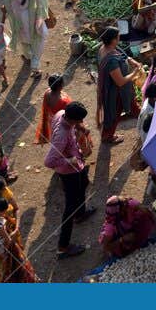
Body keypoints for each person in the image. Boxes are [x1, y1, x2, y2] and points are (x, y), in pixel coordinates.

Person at [45, 102, 95, 258]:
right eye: (79, 121)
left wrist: (80, 129)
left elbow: (72, 126)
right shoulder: (61, 136)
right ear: (72, 119)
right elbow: (48, 162)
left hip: (77, 166)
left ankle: (80, 214)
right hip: (68, 172)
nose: (80, 123)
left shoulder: (61, 113)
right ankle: (63, 247)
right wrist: (68, 161)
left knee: (84, 183)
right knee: (70, 206)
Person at [0, 0, 50, 78]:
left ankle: (29, 57)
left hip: (21, 20)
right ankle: (35, 64)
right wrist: (41, 14)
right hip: (35, 17)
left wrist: (5, 10)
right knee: (38, 39)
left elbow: (8, 7)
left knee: (25, 41)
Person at [97, 26, 141, 143]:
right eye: (117, 37)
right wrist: (134, 73)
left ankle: (140, 115)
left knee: (133, 104)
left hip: (121, 89)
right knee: (113, 113)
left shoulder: (104, 48)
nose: (119, 39)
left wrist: (131, 60)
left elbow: (120, 53)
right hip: (116, 92)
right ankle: (107, 136)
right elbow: (120, 81)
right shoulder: (112, 61)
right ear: (113, 40)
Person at [35, 73, 72, 145]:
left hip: (52, 120)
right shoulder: (64, 101)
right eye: (62, 83)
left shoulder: (47, 92)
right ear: (60, 87)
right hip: (62, 123)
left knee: (55, 136)